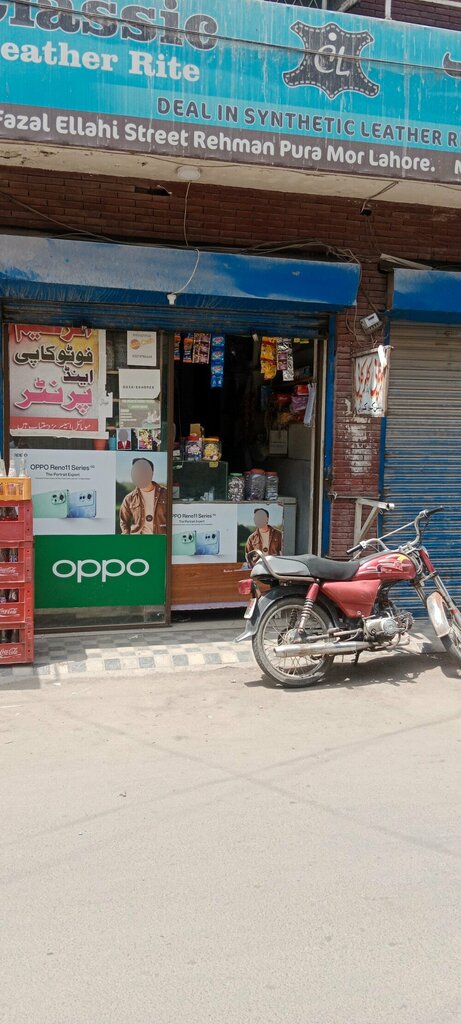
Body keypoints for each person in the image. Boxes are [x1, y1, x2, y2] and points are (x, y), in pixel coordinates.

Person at [119, 458, 167, 535]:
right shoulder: (129, 498)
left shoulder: (165, 494)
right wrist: (127, 538)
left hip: (160, 540)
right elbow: (124, 521)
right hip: (137, 542)